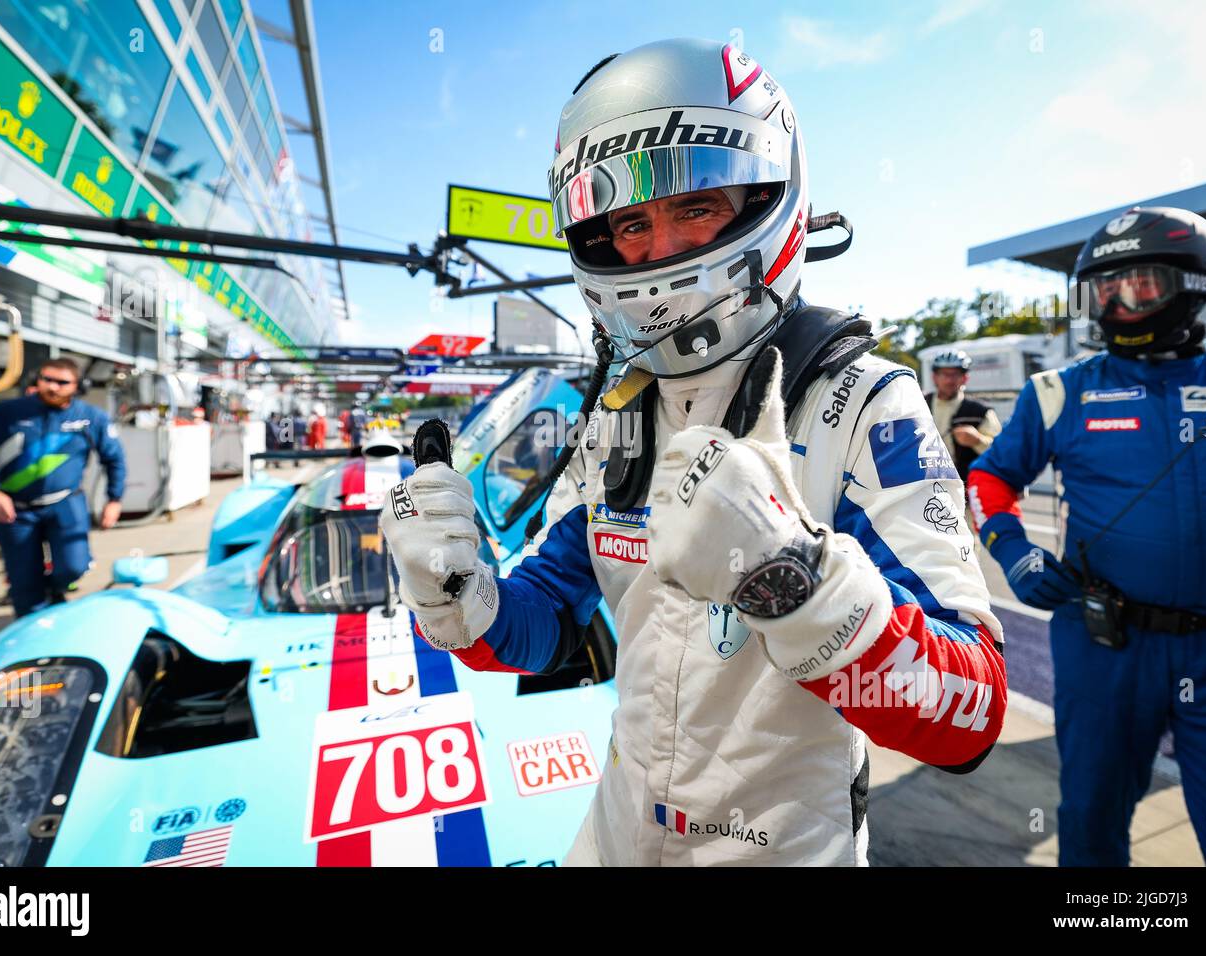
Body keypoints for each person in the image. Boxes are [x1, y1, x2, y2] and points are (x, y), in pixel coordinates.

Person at [382, 39, 1006, 866]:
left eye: (696, 205)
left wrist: (793, 580)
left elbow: (969, 715)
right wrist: (459, 596)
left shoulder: (861, 401)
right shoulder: (619, 411)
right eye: (630, 221)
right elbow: (550, 620)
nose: (660, 248)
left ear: (766, 198)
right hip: (617, 831)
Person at [967, 206, 1206, 867]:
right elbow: (990, 477)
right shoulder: (1059, 392)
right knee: (1091, 820)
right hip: (1105, 646)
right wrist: (1014, 550)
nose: (1117, 304)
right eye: (1103, 290)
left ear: (1195, 283)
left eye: (1139, 286)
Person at [0, 358, 126, 617]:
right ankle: (34, 625)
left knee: (74, 567)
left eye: (62, 382)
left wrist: (114, 499)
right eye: (47, 379)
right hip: (15, 512)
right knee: (25, 587)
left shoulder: (92, 418)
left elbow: (114, 459)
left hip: (66, 504)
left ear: (79, 386)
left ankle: (52, 591)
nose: (53, 387)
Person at [924, 350, 1002, 481]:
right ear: (934, 377)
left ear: (965, 378)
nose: (949, 380)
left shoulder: (980, 411)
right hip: (926, 483)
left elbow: (1001, 451)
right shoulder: (920, 404)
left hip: (966, 485)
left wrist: (978, 440)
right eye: (944, 374)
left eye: (955, 374)